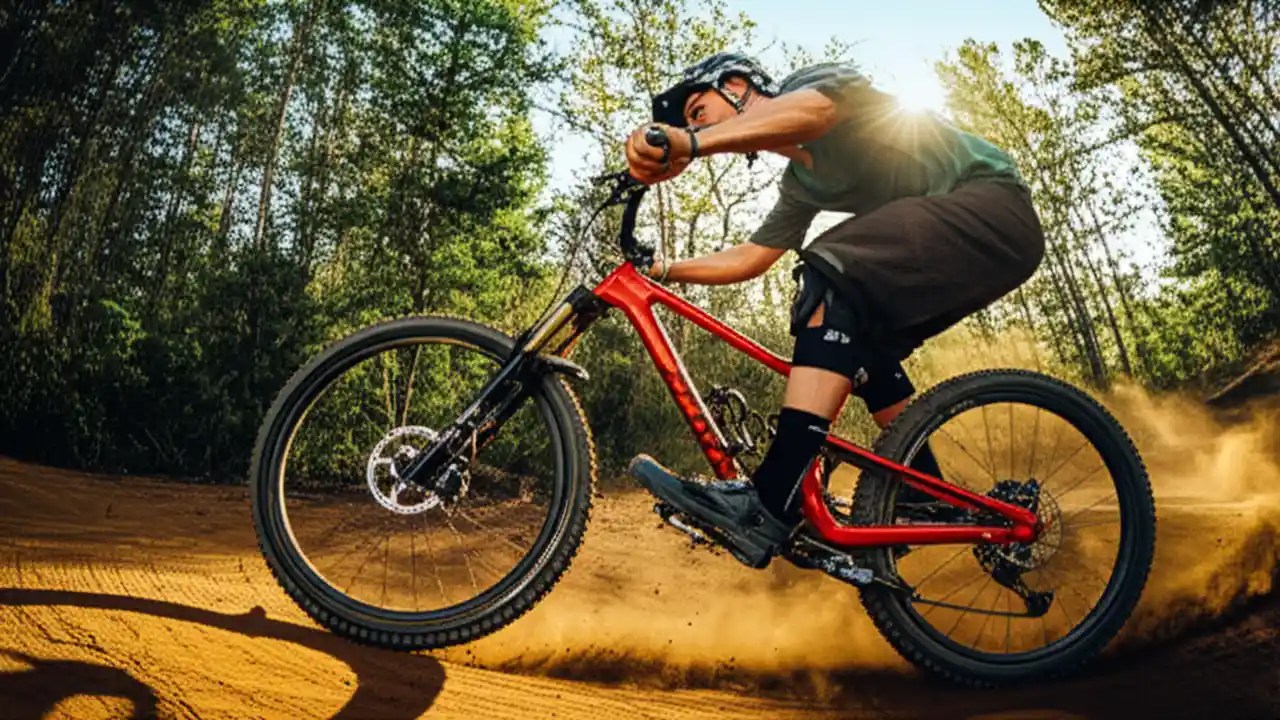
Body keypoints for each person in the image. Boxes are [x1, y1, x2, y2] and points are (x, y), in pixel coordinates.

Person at [624, 52, 1046, 569]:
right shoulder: (801, 185)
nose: (694, 125)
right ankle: (929, 495)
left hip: (992, 209)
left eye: (697, 110)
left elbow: (816, 112)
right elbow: (752, 258)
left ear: (735, 85)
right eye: (690, 123)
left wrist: (692, 143)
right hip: (959, 242)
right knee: (857, 345)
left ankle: (768, 499)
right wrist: (663, 269)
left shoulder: (807, 89)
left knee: (831, 271)